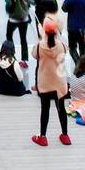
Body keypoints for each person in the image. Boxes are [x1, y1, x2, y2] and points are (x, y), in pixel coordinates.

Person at [31, 17, 70, 147]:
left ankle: (43, 137)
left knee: (45, 110)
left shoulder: (39, 46)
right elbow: (65, 48)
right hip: (59, 84)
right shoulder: (62, 45)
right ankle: (65, 135)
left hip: (45, 84)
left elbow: (33, 55)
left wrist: (40, 37)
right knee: (61, 110)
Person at [5, 0, 32, 64]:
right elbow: (31, 1)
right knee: (23, 38)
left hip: (13, 19)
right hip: (24, 18)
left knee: (9, 36)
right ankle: (24, 60)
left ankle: (10, 56)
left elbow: (7, 5)